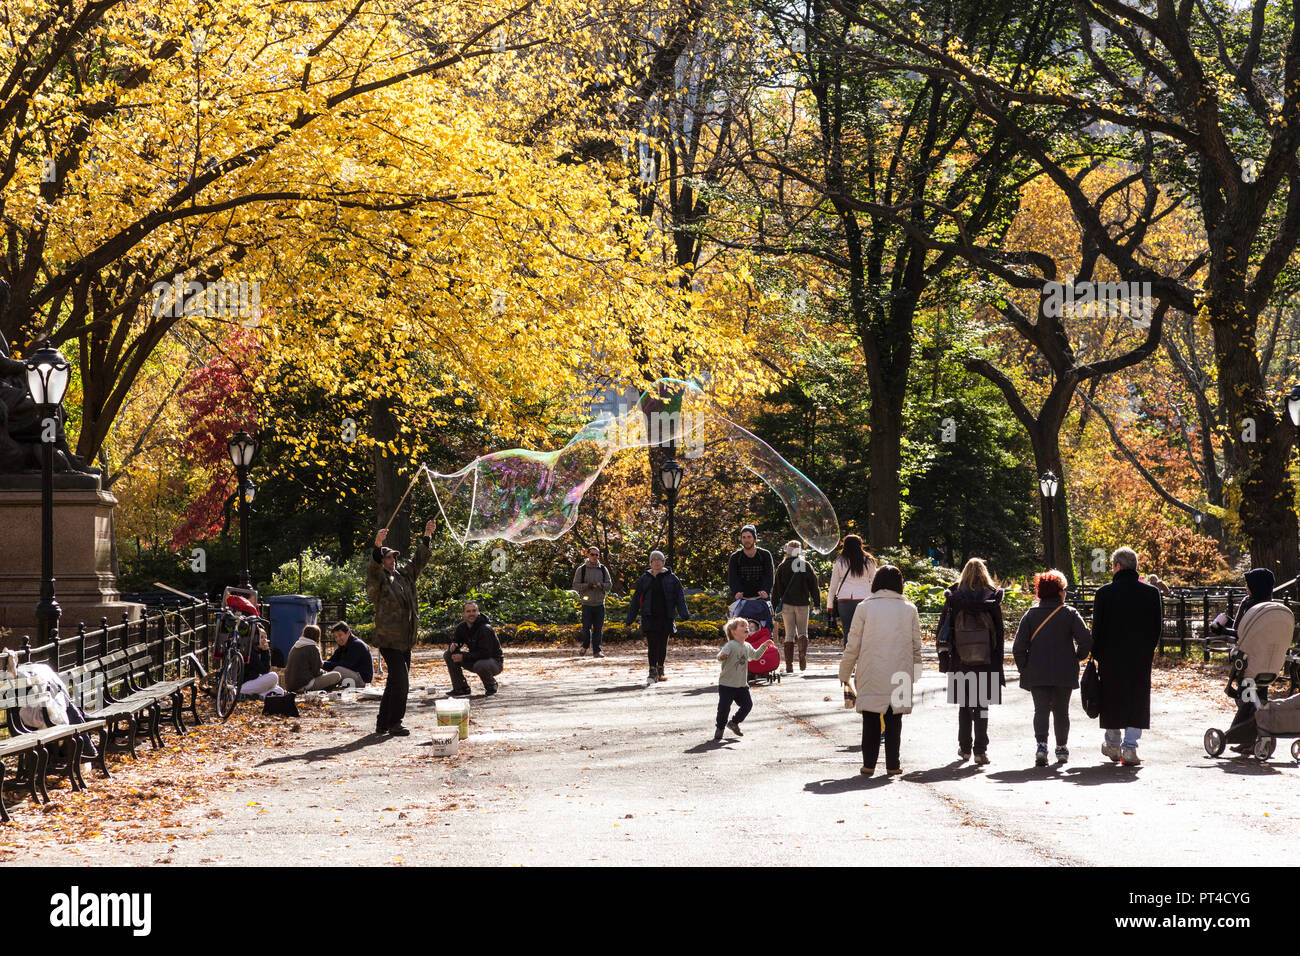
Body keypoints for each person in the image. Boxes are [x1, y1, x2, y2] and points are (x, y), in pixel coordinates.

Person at [838, 565, 922, 777]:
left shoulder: (865, 608)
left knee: (871, 718)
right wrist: (916, 672)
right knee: (895, 719)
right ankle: (893, 764)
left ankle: (869, 764)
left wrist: (844, 672)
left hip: (871, 669)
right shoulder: (909, 609)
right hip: (901, 671)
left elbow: (853, 643)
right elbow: (916, 645)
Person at [1011, 570, 1093, 766]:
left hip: (1037, 671)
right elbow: (1085, 640)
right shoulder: (1069, 613)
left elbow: (1018, 648)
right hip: (1064, 670)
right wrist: (1077, 658)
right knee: (1061, 711)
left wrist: (1025, 669)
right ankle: (1062, 748)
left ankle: (1041, 746)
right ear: (1059, 592)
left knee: (1040, 710)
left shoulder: (1030, 615)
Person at [1090, 546, 1163, 765]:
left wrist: (1097, 653)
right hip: (1139, 655)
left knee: (1112, 697)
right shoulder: (1151, 593)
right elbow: (1155, 627)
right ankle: (1130, 747)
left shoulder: (1104, 593)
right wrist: (1148, 649)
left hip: (1111, 655)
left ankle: (1112, 743)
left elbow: (1098, 629)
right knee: (1137, 698)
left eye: (1112, 566)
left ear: (1118, 566)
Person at [367, 519, 437, 737]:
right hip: (389, 641)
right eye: (388, 557)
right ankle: (395, 722)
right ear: (382, 560)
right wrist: (378, 545)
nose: (393, 560)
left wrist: (427, 535)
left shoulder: (403, 577)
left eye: (394, 557)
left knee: (395, 681)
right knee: (401, 682)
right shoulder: (379, 580)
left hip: (405, 640)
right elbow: (373, 569)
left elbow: (418, 562)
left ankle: (382, 724)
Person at [935, 557, 1006, 765]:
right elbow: (999, 634)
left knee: (964, 706)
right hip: (987, 660)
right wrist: (997, 664)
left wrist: (945, 661)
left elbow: (943, 630)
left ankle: (965, 748)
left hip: (960, 659)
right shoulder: (992, 597)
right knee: (982, 706)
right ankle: (980, 751)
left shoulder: (954, 597)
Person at [625, 550, 690, 683]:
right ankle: (652, 670)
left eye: (659, 559)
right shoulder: (645, 578)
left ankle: (660, 668)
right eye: (653, 560)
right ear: (650, 563)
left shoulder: (672, 578)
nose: (656, 562)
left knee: (662, 645)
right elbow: (636, 599)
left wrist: (684, 613)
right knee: (652, 644)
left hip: (666, 616)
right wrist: (630, 617)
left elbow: (680, 597)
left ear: (663, 562)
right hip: (649, 616)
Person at [713, 618, 775, 741]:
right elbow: (719, 657)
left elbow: (755, 656)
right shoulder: (730, 645)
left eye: (747, 626)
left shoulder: (747, 646)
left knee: (747, 705)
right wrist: (723, 656)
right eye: (742, 626)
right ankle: (720, 727)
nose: (747, 628)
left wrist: (764, 646)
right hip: (727, 684)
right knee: (724, 708)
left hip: (741, 684)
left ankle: (734, 722)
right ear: (733, 631)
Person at [773, 540, 820, 672]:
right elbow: (814, 586)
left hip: (787, 604)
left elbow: (776, 588)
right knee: (803, 632)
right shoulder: (805, 565)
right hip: (803, 604)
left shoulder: (782, 567)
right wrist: (817, 603)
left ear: (787, 550)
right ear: (799, 551)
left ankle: (789, 665)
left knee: (789, 635)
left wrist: (774, 605)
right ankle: (802, 654)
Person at [446, 602, 504, 697]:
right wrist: (454, 646)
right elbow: (456, 641)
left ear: (478, 612)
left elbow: (486, 653)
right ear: (463, 614)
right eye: (468, 611)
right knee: (449, 655)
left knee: (480, 665)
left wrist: (463, 657)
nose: (471, 613)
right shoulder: (462, 627)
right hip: (476, 658)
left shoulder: (485, 628)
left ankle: (491, 685)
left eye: (474, 611)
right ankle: (461, 688)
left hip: (493, 662)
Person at [825, 534, 876, 640]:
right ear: (860, 545)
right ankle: (862, 654)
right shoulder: (868, 561)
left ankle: (848, 653)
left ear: (845, 546)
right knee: (863, 629)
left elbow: (833, 585)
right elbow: (875, 581)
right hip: (864, 598)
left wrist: (829, 605)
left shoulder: (840, 561)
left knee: (847, 629)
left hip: (845, 598)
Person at [573, 546, 612, 657]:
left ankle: (597, 650)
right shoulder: (582, 569)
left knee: (598, 629)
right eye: (592, 554)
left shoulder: (603, 569)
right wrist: (587, 586)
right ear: (587, 555)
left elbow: (609, 585)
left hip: (599, 603)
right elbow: (575, 585)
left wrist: (602, 586)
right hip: (587, 604)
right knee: (586, 628)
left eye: (597, 555)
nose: (595, 557)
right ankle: (585, 645)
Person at [284, 624, 344, 694]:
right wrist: (325, 672)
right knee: (337, 675)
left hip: (290, 686)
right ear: (317, 636)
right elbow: (316, 672)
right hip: (304, 685)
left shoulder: (295, 646)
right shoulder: (312, 648)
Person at [727, 525, 774, 602]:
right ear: (741, 539)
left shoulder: (765, 555)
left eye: (749, 537)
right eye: (744, 537)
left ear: (754, 538)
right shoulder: (735, 557)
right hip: (742, 599)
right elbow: (732, 578)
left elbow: (769, 576)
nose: (746, 540)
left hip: (761, 598)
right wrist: (736, 592)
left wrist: (766, 590)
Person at [322, 621, 373, 688]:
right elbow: (331, 660)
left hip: (363, 680)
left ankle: (320, 686)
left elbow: (346, 665)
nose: (338, 639)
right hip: (352, 676)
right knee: (329, 670)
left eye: (340, 635)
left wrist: (325, 665)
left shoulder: (357, 645)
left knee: (338, 670)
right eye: (335, 637)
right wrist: (321, 664)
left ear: (348, 633)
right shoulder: (343, 646)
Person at [239, 624, 284, 698]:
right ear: (254, 638)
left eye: (265, 637)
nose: (264, 640)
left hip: (254, 683)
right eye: (261, 637)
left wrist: (264, 652)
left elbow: (264, 671)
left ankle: (256, 696)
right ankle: (240, 692)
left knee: (280, 691)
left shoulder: (258, 651)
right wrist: (265, 652)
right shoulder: (251, 652)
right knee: (274, 676)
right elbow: (265, 670)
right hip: (244, 685)